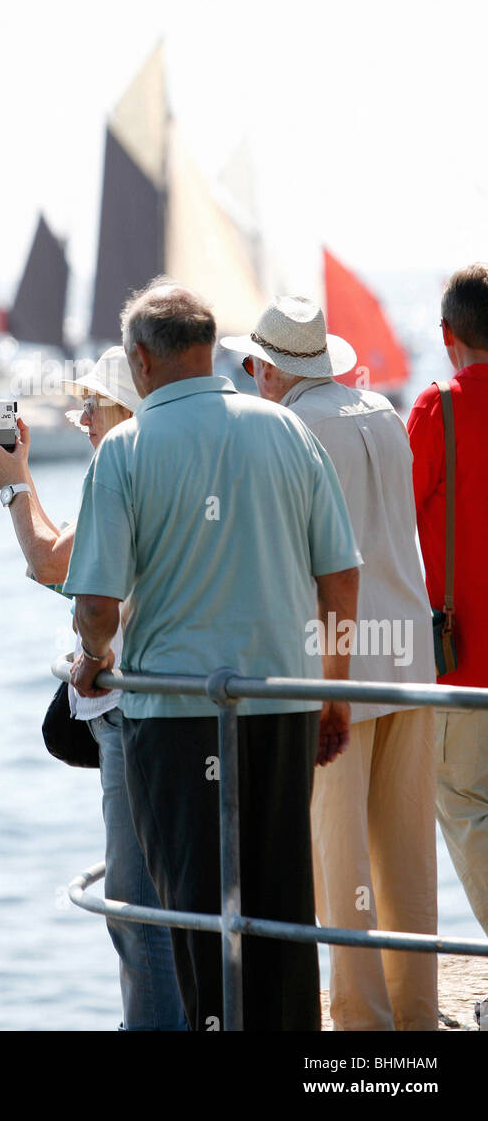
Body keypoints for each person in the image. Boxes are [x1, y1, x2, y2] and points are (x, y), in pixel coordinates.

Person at [64, 278, 361, 1032]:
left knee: (196, 913)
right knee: (281, 903)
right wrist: (332, 692)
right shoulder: (285, 431)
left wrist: (90, 660)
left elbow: (96, 607)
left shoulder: (123, 450)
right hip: (283, 702)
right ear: (211, 350)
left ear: (138, 358)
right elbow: (340, 576)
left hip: (175, 713)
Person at [222, 295, 438, 1032]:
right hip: (409, 655)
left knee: (338, 858)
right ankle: (415, 1014)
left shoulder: (286, 430)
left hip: (336, 664)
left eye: (252, 366)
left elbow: (284, 561)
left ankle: (360, 1023)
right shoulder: (379, 411)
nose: (250, 379)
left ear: (269, 369)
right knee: (407, 856)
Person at [0, 346, 187, 1031]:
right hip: (200, 705)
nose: (80, 413)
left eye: (91, 401)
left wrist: (12, 482)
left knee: (133, 902)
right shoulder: (182, 461)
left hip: (137, 712)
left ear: (125, 406)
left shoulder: (119, 461)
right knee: (196, 895)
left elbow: (53, 565)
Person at [408, 264, 488, 935]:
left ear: (445, 334)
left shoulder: (439, 407)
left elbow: (391, 519)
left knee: (465, 802)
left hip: (464, 658)